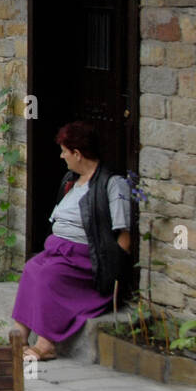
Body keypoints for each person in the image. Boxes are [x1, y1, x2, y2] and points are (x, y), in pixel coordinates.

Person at [12, 121, 132, 362]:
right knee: (32, 268)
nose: (61, 156)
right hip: (59, 252)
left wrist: (113, 273)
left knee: (49, 276)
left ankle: (46, 344)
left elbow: (125, 236)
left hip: (85, 260)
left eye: (64, 151)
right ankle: (18, 338)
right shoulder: (71, 179)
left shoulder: (111, 183)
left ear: (77, 154)